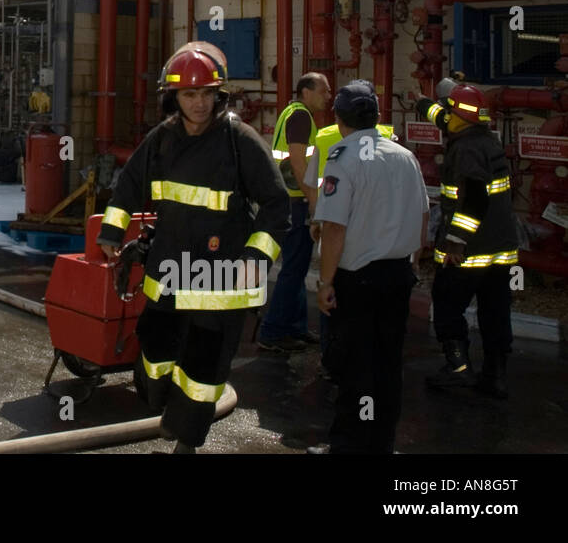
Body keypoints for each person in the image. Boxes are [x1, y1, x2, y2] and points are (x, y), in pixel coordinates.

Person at [98, 42, 290, 453]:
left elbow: (277, 205)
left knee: (203, 369)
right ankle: (169, 411)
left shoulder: (241, 141)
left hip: (220, 280)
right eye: (189, 94)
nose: (199, 103)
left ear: (219, 96)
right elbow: (128, 186)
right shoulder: (162, 140)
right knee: (155, 348)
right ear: (175, 98)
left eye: (206, 94)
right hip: (169, 271)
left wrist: (255, 260)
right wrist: (112, 233)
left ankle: (187, 438)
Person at [311, 80, 428, 454]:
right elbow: (424, 218)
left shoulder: (343, 157)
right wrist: (413, 263)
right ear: (376, 117)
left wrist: (325, 282)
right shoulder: (404, 156)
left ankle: (348, 445)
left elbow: (333, 228)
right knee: (388, 364)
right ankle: (381, 442)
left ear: (340, 119)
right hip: (398, 275)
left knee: (354, 365)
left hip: (357, 278)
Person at [416, 83, 518, 397]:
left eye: (447, 109)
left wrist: (456, 241)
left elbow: (473, 199)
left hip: (468, 252)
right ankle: (496, 375)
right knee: (495, 311)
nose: (443, 114)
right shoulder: (483, 137)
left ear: (458, 114)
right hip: (500, 252)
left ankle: (459, 369)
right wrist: (422, 104)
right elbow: (444, 118)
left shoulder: (466, 149)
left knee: (447, 304)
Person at [305, 116, 399, 367]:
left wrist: (316, 218)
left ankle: (334, 361)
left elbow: (313, 185)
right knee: (378, 321)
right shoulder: (389, 140)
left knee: (334, 303)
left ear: (339, 116)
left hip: (339, 236)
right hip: (379, 242)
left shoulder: (325, 137)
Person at [259, 72, 331, 352]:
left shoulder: (291, 112)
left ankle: (296, 327)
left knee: (297, 267)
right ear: (305, 92)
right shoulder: (301, 117)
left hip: (288, 200)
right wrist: (313, 200)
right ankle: (273, 331)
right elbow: (299, 163)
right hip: (297, 202)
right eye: (323, 91)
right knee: (293, 269)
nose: (328, 96)